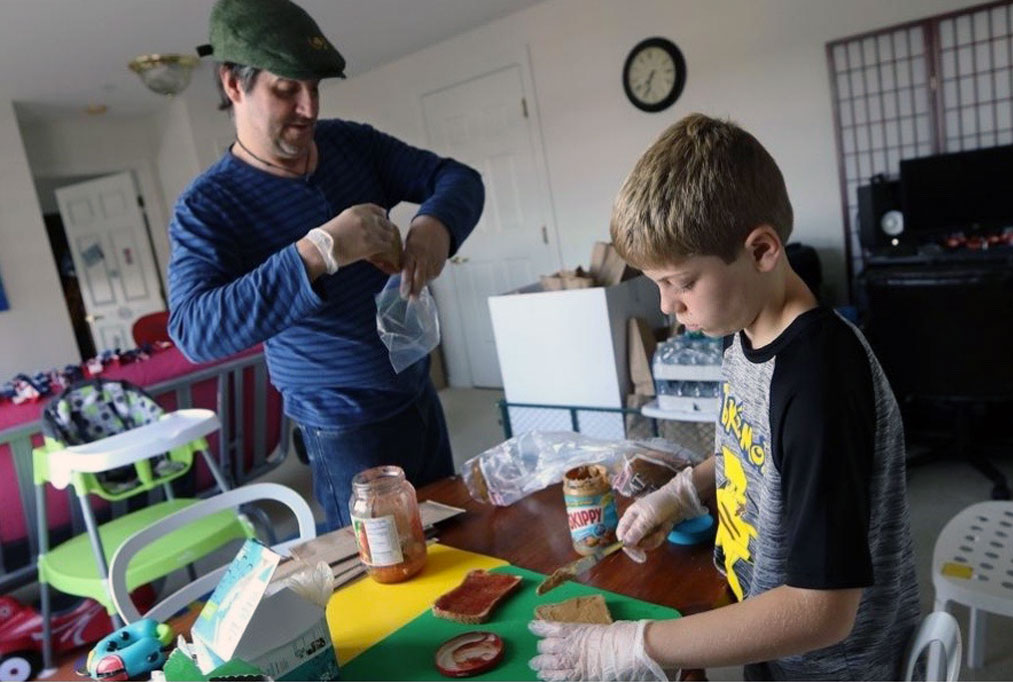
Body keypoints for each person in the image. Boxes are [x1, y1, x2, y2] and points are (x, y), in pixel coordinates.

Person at [529, 114, 920, 680]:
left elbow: (822, 611)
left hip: (830, 666)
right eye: (657, 283)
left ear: (761, 250)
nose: (666, 306)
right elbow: (763, 452)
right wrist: (681, 493)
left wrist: (635, 645)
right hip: (771, 639)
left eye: (682, 282)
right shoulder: (745, 329)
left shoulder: (819, 381)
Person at [167, 0, 484, 529]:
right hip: (343, 429)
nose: (309, 108)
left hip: (418, 391)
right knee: (383, 567)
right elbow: (195, 330)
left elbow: (458, 178)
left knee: (453, 536)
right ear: (234, 84)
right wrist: (317, 252)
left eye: (314, 87)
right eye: (286, 89)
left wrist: (436, 226)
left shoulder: (349, 144)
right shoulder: (208, 206)